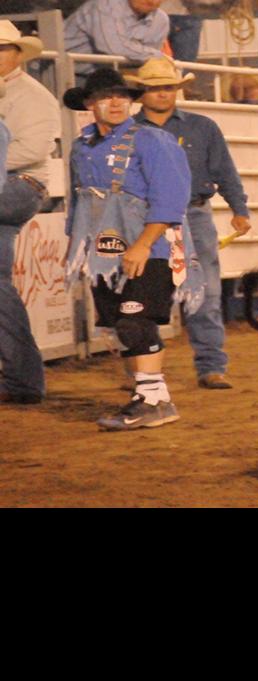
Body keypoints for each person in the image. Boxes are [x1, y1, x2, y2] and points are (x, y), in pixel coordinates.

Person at [63, 67, 192, 430]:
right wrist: (76, 245)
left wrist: (143, 244)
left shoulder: (153, 141)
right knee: (124, 324)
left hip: (150, 247)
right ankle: (151, 397)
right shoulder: (82, 147)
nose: (116, 102)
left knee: (135, 321)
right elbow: (79, 200)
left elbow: (171, 198)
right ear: (90, 104)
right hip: (104, 250)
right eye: (106, 96)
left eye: (122, 96)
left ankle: (153, 400)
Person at [131, 57, 249, 390]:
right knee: (148, 291)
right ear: (142, 92)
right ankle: (146, 367)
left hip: (191, 214)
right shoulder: (131, 131)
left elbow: (225, 170)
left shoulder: (202, 127)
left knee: (206, 292)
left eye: (168, 87)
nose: (162, 94)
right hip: (148, 217)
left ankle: (210, 365)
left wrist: (239, 208)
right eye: (155, 88)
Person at [0, 20, 58, 405]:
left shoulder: (34, 96)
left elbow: (32, 150)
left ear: (18, 54)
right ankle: (24, 380)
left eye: (2, 48)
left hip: (20, 185)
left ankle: (24, 378)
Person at [63, 0, 171, 75]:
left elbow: (148, 62)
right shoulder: (107, 4)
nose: (151, 1)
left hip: (114, 76)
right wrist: (159, 56)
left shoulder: (161, 20)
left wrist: (154, 57)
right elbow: (114, 47)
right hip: (67, 71)